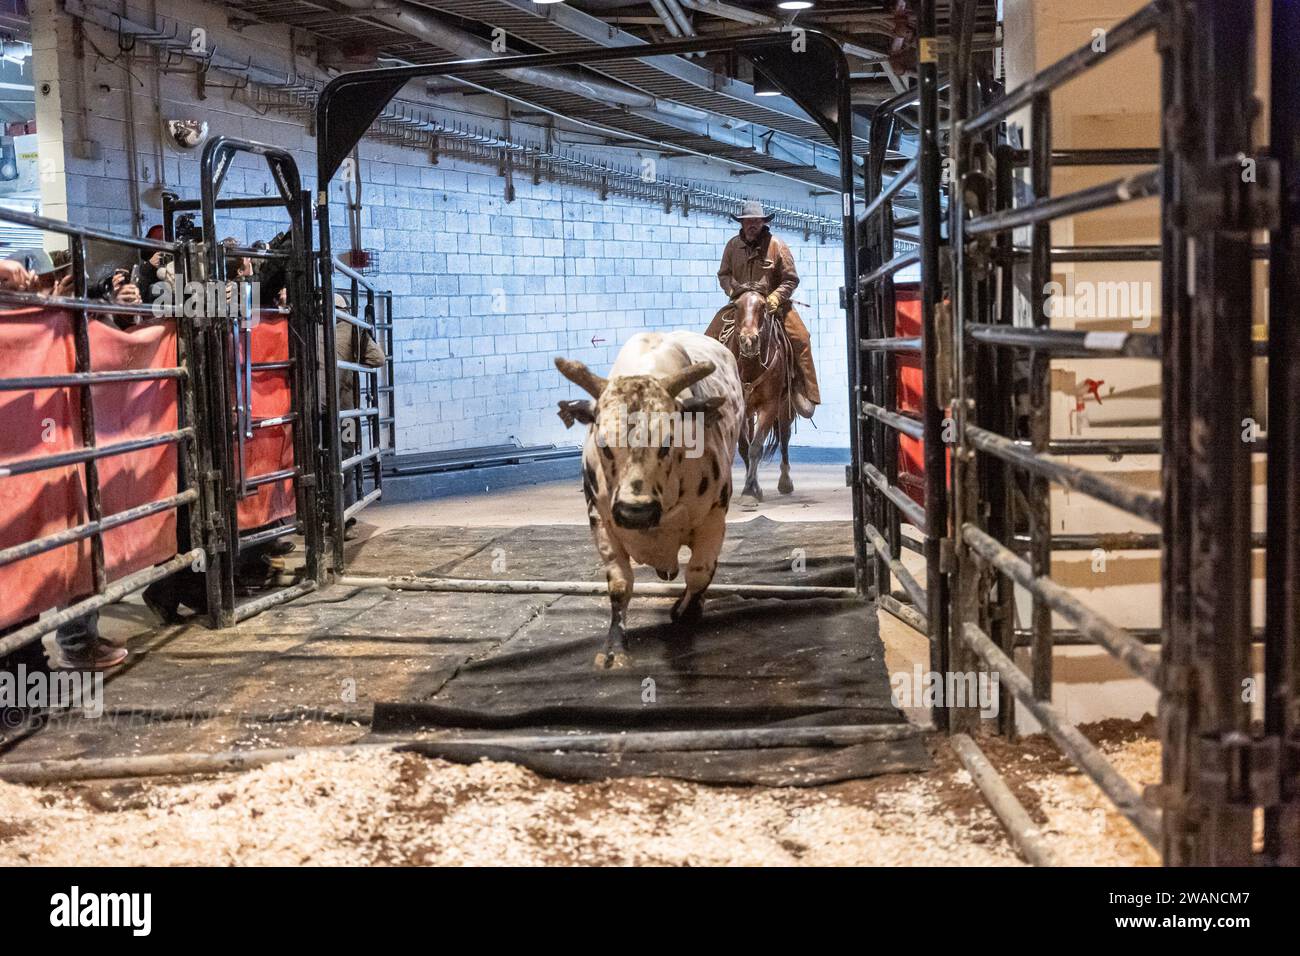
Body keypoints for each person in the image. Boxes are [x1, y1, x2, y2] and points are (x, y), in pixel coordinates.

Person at [707, 200, 820, 418]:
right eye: (748, 221)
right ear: (742, 223)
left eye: (756, 221)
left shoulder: (776, 246)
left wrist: (776, 297)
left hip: (773, 306)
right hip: (741, 305)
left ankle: (804, 390)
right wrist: (734, 292)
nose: (752, 225)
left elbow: (791, 279)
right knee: (710, 337)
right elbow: (724, 274)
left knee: (801, 337)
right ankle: (710, 387)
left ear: (762, 223)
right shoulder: (732, 246)